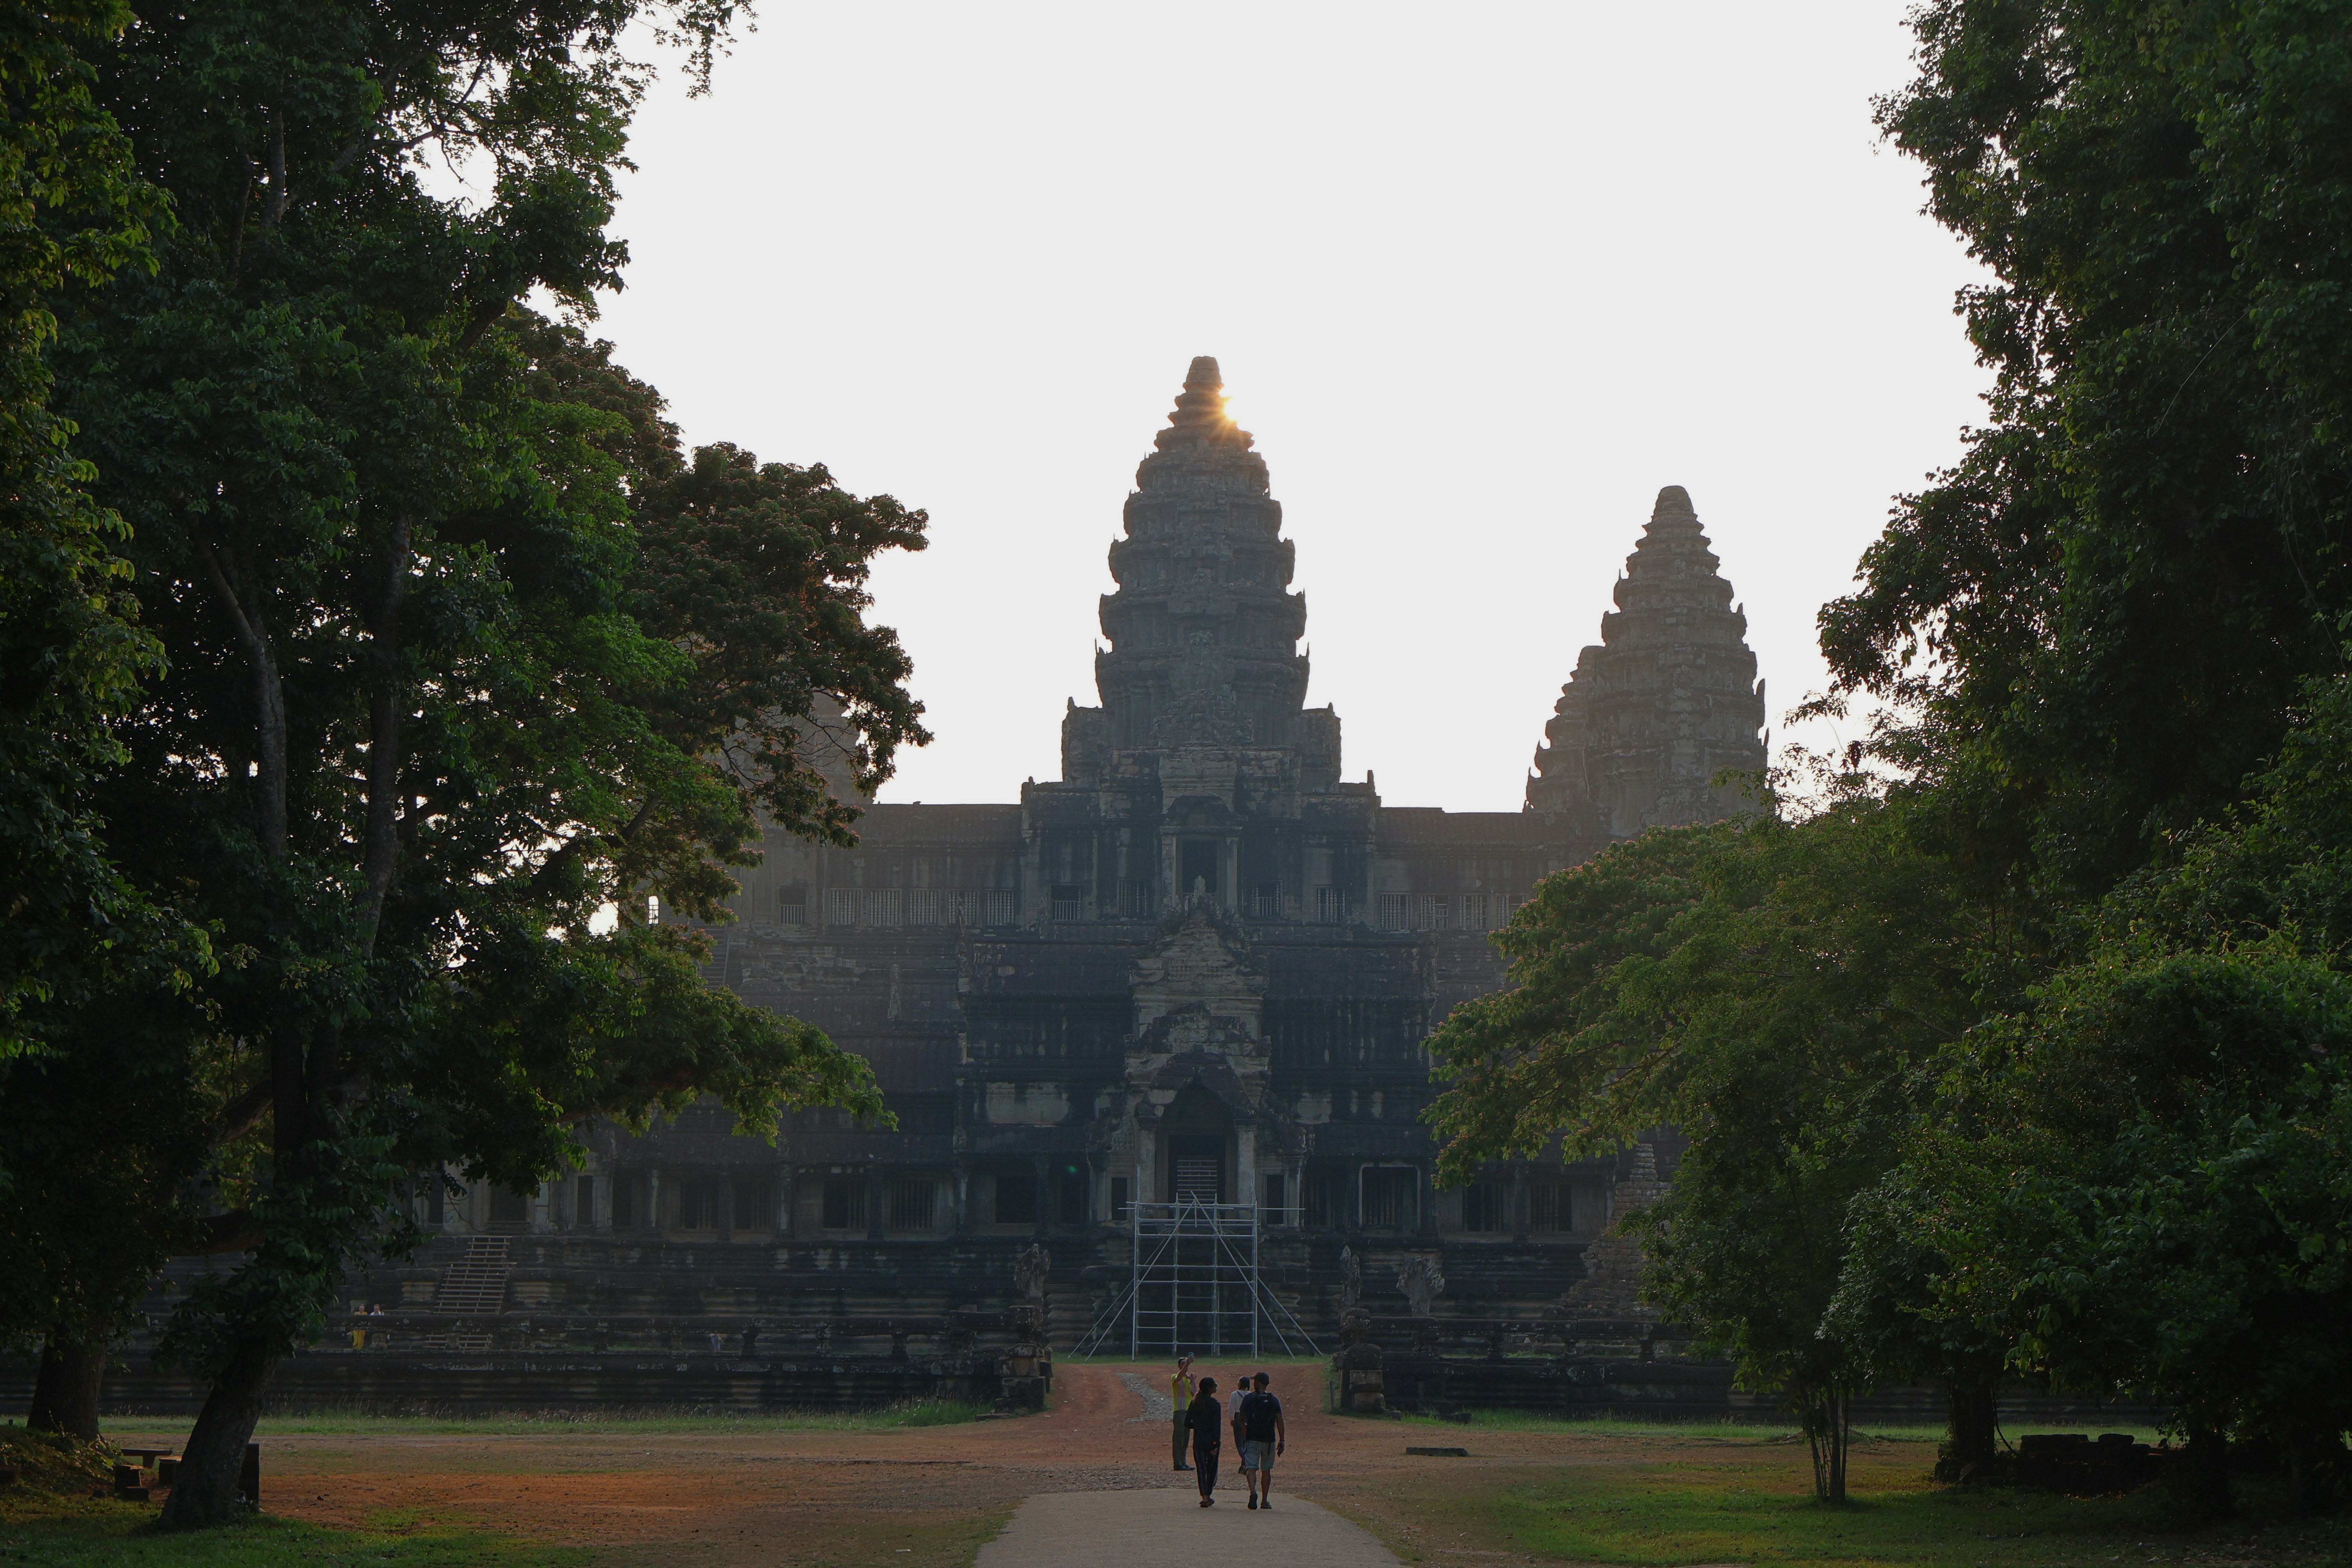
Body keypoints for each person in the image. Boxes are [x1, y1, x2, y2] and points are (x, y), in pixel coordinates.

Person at [1237, 1372, 1286, 1510]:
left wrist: (1244, 1428)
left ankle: (1253, 1492)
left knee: (1251, 1468)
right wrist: (1282, 1440)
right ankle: (1265, 1501)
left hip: (1252, 1438)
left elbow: (1242, 1418)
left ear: (1258, 1382)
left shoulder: (1249, 1399)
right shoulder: (1273, 1400)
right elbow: (1280, 1421)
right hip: (1269, 1440)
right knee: (1266, 1470)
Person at [1186, 1377, 1224, 1506]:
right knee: (1211, 1469)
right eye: (1215, 1385)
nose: (1216, 1387)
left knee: (1201, 1469)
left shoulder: (1195, 1402)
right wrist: (1216, 1444)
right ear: (1210, 1388)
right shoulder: (1215, 1405)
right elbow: (1216, 1427)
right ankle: (1208, 1495)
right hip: (1211, 1442)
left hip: (1199, 1441)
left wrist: (1197, 1425)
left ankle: (1205, 1497)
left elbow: (1187, 1423)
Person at [1169, 1354, 1197, 1470]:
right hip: (1180, 1411)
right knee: (1179, 1438)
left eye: (1186, 1363)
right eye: (1183, 1364)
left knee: (1185, 1439)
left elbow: (1193, 1392)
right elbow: (1178, 1379)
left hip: (1188, 1411)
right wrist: (1188, 1366)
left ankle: (1183, 1461)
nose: (1185, 1365)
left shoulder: (1188, 1378)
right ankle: (1178, 1463)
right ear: (1179, 1366)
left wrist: (1193, 1381)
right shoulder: (1176, 1377)